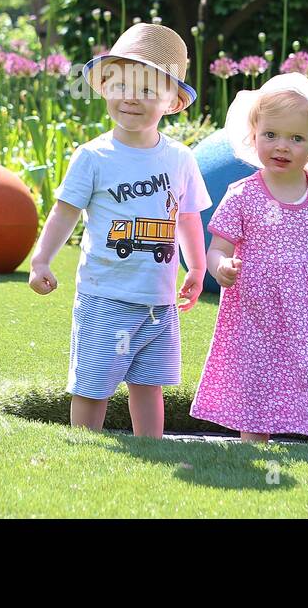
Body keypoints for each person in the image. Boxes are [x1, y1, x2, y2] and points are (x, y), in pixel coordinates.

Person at [28, 23, 212, 438]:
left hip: (159, 302)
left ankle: (153, 447)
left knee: (150, 385)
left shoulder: (180, 158)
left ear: (172, 101)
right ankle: (83, 448)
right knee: (92, 386)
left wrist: (197, 268)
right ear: (105, 88)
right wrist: (41, 259)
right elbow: (65, 212)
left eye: (148, 90)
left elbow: (186, 218)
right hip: (104, 296)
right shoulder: (94, 156)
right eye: (121, 85)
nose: (132, 97)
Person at [190, 72, 308, 443]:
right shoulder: (242, 194)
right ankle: (254, 439)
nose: (282, 146)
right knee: (259, 369)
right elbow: (219, 247)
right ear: (253, 135)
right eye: (271, 135)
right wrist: (221, 267)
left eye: (296, 138)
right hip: (257, 308)